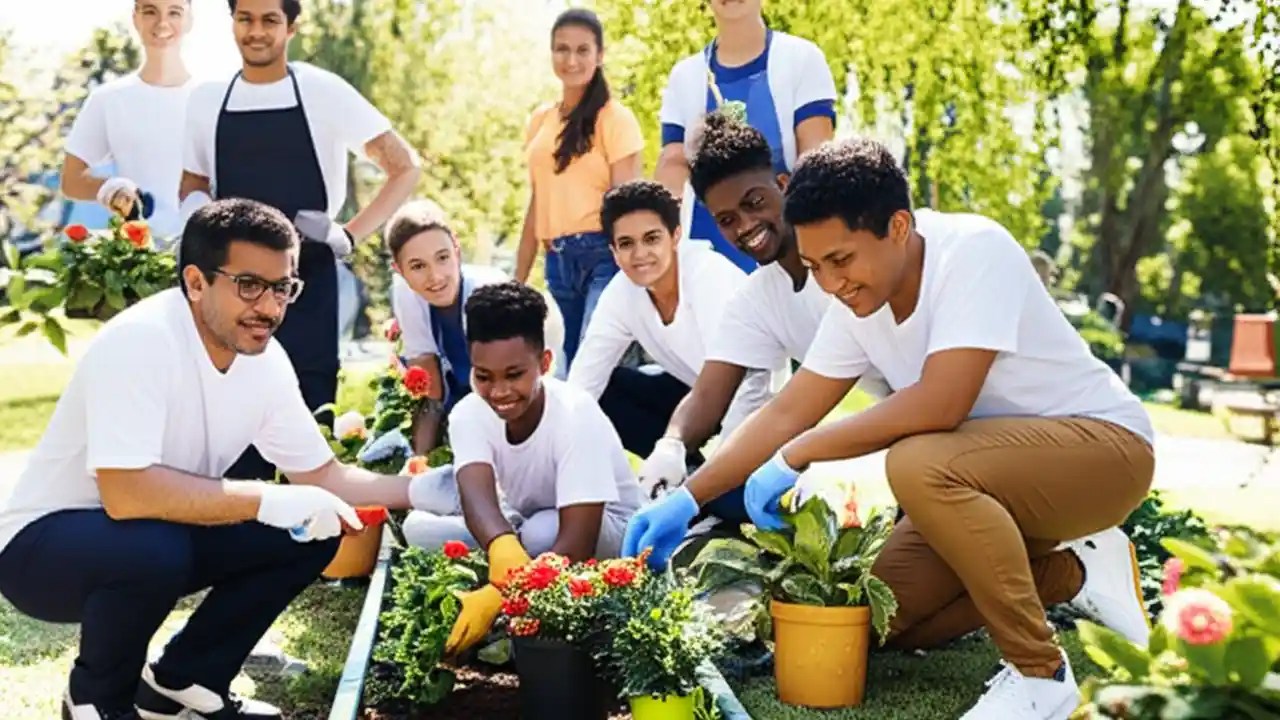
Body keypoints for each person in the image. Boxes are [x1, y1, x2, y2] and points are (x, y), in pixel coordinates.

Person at [624, 138, 1155, 719]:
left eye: (841, 260)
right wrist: (686, 497)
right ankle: (1075, 574)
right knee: (870, 619)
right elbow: (785, 411)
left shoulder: (974, 251)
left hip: (1101, 453)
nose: (830, 283)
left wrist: (797, 456)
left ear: (898, 226)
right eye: (816, 264)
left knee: (915, 461)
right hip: (987, 482)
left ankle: (1041, 675)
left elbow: (942, 402)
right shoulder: (856, 301)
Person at [0, 199, 440, 720]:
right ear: (196, 281)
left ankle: (184, 680)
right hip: (41, 551)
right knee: (154, 546)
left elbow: (322, 475)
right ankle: (95, 700)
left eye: (283, 288)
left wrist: (423, 489)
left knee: (314, 528)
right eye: (250, 285)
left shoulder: (265, 360)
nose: (270, 308)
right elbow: (126, 495)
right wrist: (265, 498)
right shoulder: (143, 340)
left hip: (150, 532)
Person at [180, 0, 421, 480]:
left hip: (305, 279)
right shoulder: (207, 99)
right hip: (233, 283)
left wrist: (348, 235)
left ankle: (313, 537)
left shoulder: (321, 91)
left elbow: (404, 166)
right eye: (244, 19)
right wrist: (200, 223)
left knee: (311, 416)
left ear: (291, 26)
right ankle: (233, 531)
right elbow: (193, 185)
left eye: (269, 20)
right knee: (229, 410)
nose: (256, 31)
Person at [637, 112, 889, 505]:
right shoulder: (756, 299)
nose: (746, 226)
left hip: (936, 411)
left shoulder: (847, 265)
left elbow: (796, 413)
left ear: (783, 185)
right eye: (727, 220)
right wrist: (671, 445)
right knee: (729, 485)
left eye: (755, 202)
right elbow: (707, 396)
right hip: (898, 425)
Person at [399, 282, 644, 655]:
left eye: (514, 375)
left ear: (545, 363)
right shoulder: (469, 412)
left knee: (543, 533)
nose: (499, 391)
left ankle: (513, 599)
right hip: (526, 525)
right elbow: (477, 497)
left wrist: (499, 594)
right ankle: (514, 572)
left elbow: (576, 542)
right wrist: (500, 544)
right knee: (417, 529)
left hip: (605, 533)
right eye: (484, 376)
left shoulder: (576, 415)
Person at [565, 179, 771, 520]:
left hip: (756, 403)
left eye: (652, 238)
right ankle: (677, 474)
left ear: (676, 236)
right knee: (604, 394)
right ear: (614, 252)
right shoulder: (621, 294)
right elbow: (582, 386)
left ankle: (699, 489)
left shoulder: (709, 276)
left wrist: (715, 475)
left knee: (733, 503)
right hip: (694, 397)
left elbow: (749, 382)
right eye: (626, 244)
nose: (640, 254)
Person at [654, 0, 837, 273]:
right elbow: (674, 161)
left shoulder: (802, 59)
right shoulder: (685, 76)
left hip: (790, 253)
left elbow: (815, 160)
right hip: (711, 258)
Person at [514, 8, 645, 377]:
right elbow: (538, 201)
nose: (571, 60)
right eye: (562, 49)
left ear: (599, 55)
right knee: (569, 360)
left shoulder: (615, 118)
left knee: (594, 359)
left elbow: (628, 205)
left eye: (583, 50)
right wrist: (518, 279)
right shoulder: (541, 119)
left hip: (603, 255)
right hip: (557, 261)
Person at [60, 0, 196, 240]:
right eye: (150, 11)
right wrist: (112, 189)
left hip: (207, 253)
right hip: (140, 255)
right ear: (135, 18)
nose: (162, 23)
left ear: (189, 20)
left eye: (174, 12)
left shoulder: (212, 96)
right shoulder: (109, 99)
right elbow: (72, 181)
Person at [387, 199, 508, 452]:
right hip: (458, 402)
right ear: (398, 269)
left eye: (442, 258)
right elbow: (430, 388)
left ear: (456, 248)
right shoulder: (406, 295)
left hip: (504, 406)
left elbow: (507, 387)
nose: (435, 277)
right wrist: (419, 462)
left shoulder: (489, 293)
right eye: (418, 266)